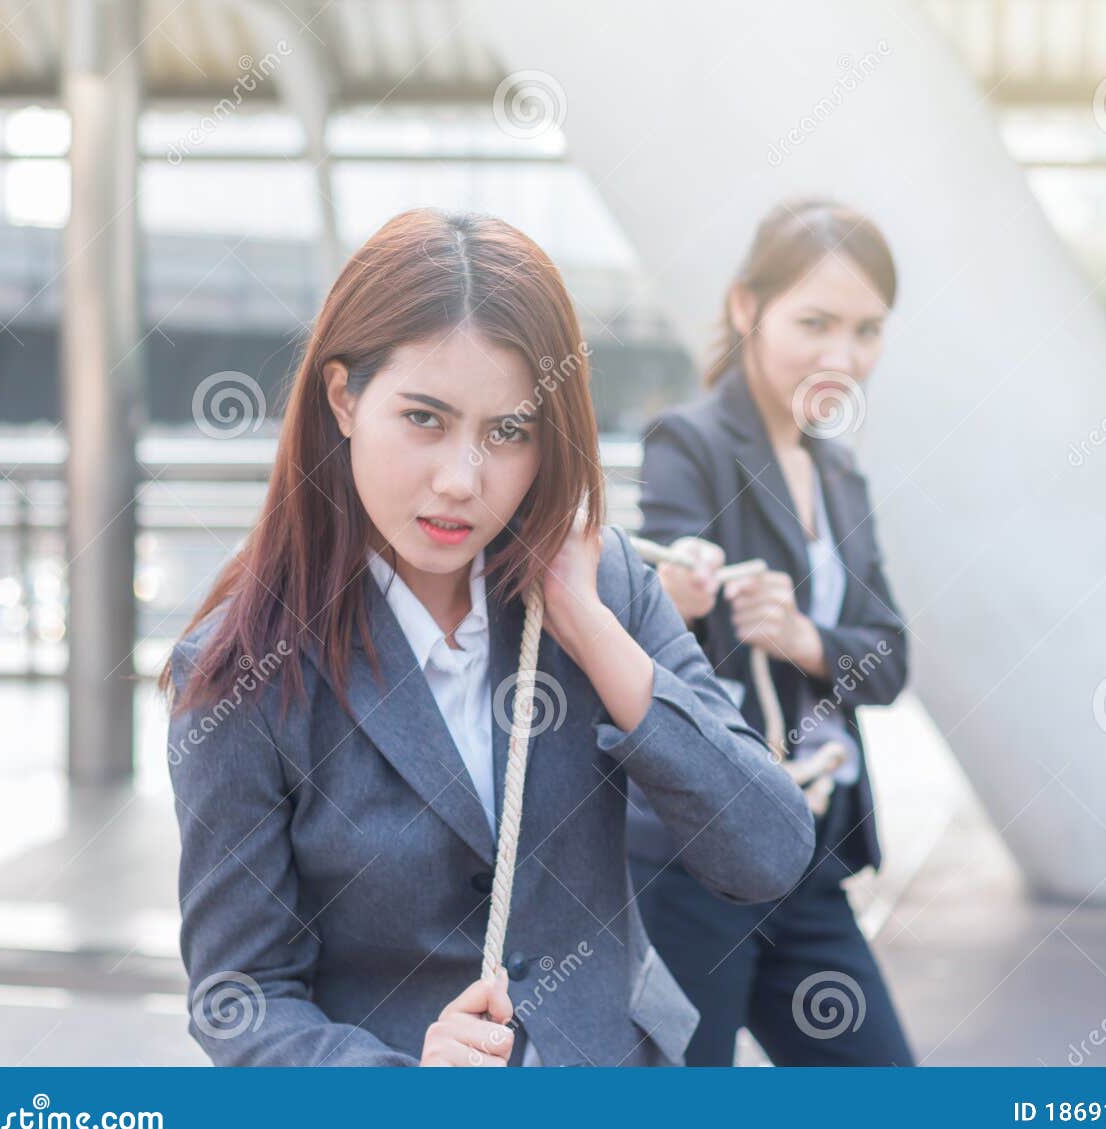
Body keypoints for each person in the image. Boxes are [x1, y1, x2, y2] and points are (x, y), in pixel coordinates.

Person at [159, 208, 814, 1067]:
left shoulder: (601, 583)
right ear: (345, 397)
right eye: (425, 418)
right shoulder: (243, 669)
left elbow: (766, 852)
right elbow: (239, 998)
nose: (462, 480)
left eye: (508, 433)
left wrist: (590, 627)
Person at [628, 199, 914, 1066]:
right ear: (747, 308)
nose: (844, 355)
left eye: (866, 330)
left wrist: (801, 636)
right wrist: (676, 591)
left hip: (806, 848)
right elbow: (662, 614)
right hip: (699, 852)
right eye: (816, 322)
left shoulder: (840, 474)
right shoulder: (691, 441)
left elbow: (893, 660)